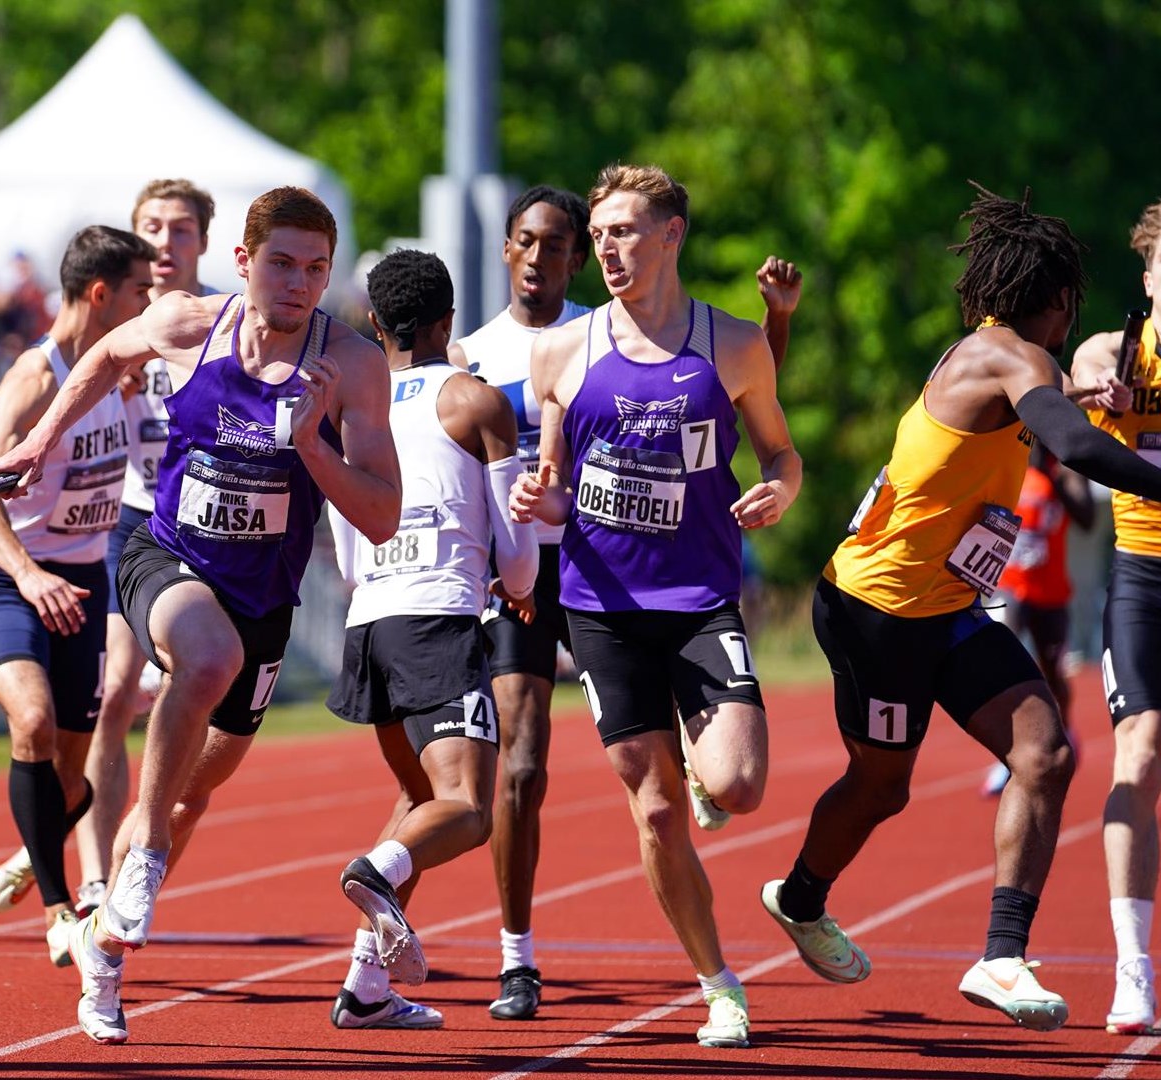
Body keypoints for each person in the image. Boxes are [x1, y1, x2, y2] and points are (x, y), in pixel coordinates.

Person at [0, 186, 400, 1044]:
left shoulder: (352, 366)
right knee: (201, 661)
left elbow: (381, 514)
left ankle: (103, 958)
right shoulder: (187, 323)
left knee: (187, 794)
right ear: (244, 262)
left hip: (265, 597)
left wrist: (316, 444)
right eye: (280, 263)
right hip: (163, 555)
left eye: (315, 269)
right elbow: (100, 358)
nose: (296, 283)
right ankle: (140, 867)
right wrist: (40, 443)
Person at [762, 184, 1161, 1034]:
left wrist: (1079, 406)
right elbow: (1072, 445)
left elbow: (1045, 422)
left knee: (1047, 752)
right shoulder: (1010, 357)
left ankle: (1001, 955)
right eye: (1071, 308)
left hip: (946, 607)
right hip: (874, 608)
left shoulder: (1006, 362)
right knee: (881, 789)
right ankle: (801, 897)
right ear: (1056, 301)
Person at [511, 163, 802, 1049]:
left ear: (672, 234)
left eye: (626, 231)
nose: (608, 248)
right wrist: (540, 501)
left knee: (739, 787)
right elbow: (554, 482)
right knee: (657, 808)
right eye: (599, 235)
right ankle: (719, 985)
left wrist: (778, 493)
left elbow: (782, 456)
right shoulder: (563, 351)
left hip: (700, 599)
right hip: (600, 603)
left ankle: (702, 750)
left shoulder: (734, 346)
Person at [323, 249, 540, 1030]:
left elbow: (348, 543)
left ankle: (365, 989)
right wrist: (516, 592)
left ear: (374, 324)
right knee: (468, 809)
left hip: (370, 621)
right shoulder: (474, 401)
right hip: (441, 617)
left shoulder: (357, 411)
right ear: (449, 319)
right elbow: (516, 553)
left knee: (419, 799)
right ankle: (371, 871)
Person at [0, 226, 154, 964]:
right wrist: (28, 575)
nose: (150, 303)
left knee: (72, 778)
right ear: (101, 294)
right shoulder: (34, 379)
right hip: (12, 581)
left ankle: (33, 844)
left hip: (85, 584)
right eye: (140, 291)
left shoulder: (113, 369)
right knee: (33, 721)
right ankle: (57, 909)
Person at [52, 179, 221, 919]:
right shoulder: (118, 318)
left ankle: (136, 843)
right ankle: (94, 877)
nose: (164, 240)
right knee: (115, 691)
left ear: (204, 243)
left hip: (212, 526)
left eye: (179, 228)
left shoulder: (222, 317)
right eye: (150, 226)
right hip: (135, 518)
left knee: (206, 718)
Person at [447, 184, 593, 1021]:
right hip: (516, 577)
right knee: (524, 765)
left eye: (557, 245)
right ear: (507, 250)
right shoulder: (468, 357)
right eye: (528, 241)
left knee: (646, 766)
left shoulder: (599, 341)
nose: (540, 257)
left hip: (602, 569)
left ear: (577, 258)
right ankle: (517, 960)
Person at [1069, 193, 1161, 1036]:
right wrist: (1090, 376)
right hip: (1145, 580)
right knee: (1136, 762)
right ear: (1149, 276)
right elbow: (1081, 364)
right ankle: (1132, 971)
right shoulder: (1122, 351)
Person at [981, 443, 1091, 797]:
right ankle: (1009, 753)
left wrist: (1052, 477)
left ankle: (1066, 730)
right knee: (999, 663)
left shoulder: (1066, 471)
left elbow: (1087, 518)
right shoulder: (1006, 466)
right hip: (1011, 587)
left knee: (1053, 673)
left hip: (1051, 593)